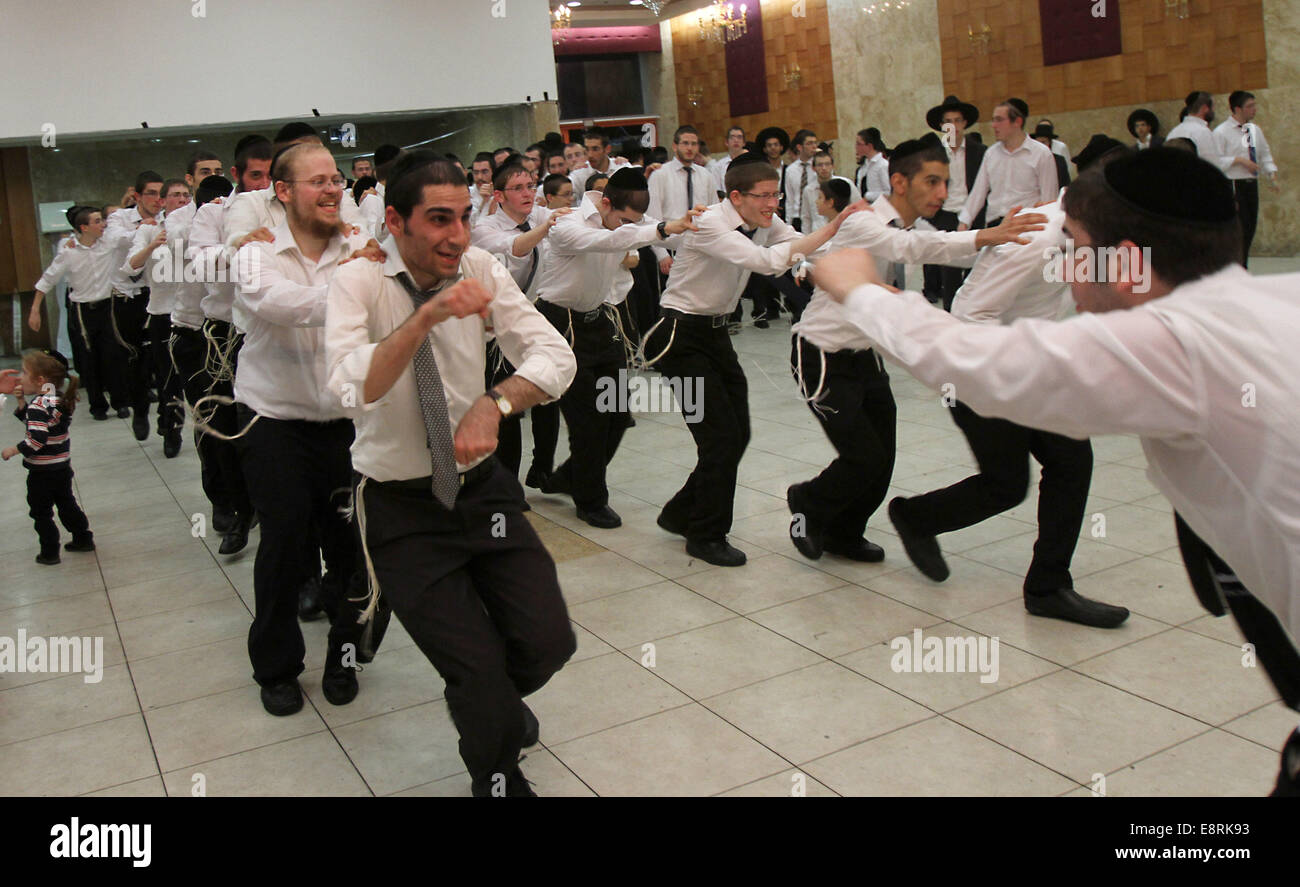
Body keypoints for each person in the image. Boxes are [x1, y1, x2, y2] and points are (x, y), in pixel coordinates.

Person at [813, 147, 1300, 796]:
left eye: (1074, 247)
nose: (1063, 264)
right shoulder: (1277, 297)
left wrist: (861, 288)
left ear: (1123, 260)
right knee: (1017, 477)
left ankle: (1034, 575)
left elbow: (973, 359)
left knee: (1041, 469)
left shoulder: (1176, 343)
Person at [324, 150, 579, 796]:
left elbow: (554, 355)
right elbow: (354, 390)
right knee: (474, 670)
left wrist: (497, 404)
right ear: (395, 220)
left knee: (548, 640)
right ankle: (495, 771)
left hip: (481, 489)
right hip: (401, 507)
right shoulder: (355, 283)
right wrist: (427, 316)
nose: (457, 235)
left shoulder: (480, 266)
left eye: (465, 216)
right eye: (439, 219)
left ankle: (489, 695)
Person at [888, 136, 1129, 629]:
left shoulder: (1089, 229)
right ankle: (915, 518)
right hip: (979, 369)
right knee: (1006, 485)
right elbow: (969, 311)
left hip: (1029, 365)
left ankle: (1048, 587)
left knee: (1070, 461)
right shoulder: (1038, 237)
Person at [788, 135, 1046, 567]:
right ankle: (807, 503)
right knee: (862, 457)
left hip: (864, 355)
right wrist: (986, 234)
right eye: (932, 181)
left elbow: (937, 246)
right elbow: (912, 249)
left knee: (882, 457)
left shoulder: (913, 227)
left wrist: (1000, 241)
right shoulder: (862, 222)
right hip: (820, 354)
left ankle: (844, 533)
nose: (942, 193)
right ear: (900, 183)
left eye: (945, 182)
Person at [643, 153, 866, 566]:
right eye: (763, 196)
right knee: (720, 438)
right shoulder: (710, 222)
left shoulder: (765, 220)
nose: (771, 204)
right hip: (681, 337)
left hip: (715, 335)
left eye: (775, 195)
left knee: (737, 433)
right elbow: (764, 262)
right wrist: (833, 226)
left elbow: (796, 244)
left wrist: (855, 238)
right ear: (736, 196)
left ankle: (680, 512)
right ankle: (705, 534)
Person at [232, 143, 379, 716]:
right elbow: (276, 303)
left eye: (336, 179)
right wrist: (352, 288)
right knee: (286, 543)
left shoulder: (361, 243)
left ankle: (344, 654)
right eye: (315, 181)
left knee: (351, 545)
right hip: (273, 418)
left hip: (346, 419)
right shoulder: (255, 251)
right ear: (283, 192)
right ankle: (275, 667)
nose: (330, 189)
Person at [534, 167, 701, 528]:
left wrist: (693, 224)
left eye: (634, 222)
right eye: (624, 220)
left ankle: (569, 476)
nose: (628, 227)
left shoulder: (626, 221)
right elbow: (605, 241)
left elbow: (659, 235)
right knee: (588, 421)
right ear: (606, 203)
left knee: (618, 412)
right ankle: (590, 500)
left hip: (598, 319)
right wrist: (654, 230)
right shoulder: (567, 224)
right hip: (558, 324)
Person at [28, 207, 126, 421]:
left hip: (107, 306)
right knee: (89, 358)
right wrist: (35, 310)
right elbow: (47, 280)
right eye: (98, 221)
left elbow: (127, 236)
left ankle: (120, 402)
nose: (103, 224)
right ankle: (97, 405)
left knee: (112, 355)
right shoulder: (68, 251)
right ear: (84, 227)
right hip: (83, 310)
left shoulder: (108, 243)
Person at [0, 350, 94, 565]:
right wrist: (23, 402)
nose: (20, 377)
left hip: (42, 471)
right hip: (61, 465)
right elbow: (45, 425)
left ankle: (50, 551)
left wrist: (13, 450)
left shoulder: (38, 406)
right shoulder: (57, 397)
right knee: (67, 503)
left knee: (40, 512)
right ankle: (83, 537)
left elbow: (37, 439)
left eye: (25, 372)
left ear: (40, 380)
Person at [124, 178, 192, 457]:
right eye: (175, 195)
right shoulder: (149, 229)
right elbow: (130, 267)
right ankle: (171, 428)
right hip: (163, 314)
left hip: (193, 313)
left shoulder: (198, 226)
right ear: (163, 201)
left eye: (186, 195)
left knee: (192, 378)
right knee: (168, 378)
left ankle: (178, 422)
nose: (182, 200)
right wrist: (152, 244)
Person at [104, 171, 165, 441]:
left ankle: (168, 418)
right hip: (128, 296)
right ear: (138, 196)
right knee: (133, 358)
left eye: (161, 193)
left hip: (157, 296)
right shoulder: (120, 218)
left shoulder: (168, 218)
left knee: (162, 359)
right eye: (151, 193)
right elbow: (115, 240)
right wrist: (144, 230)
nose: (157, 199)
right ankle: (139, 409)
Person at [923, 95, 988, 310]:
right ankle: (951, 316)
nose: (953, 126)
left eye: (957, 120)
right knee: (949, 272)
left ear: (965, 123)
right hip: (946, 215)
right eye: (948, 121)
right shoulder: (933, 153)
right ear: (942, 126)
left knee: (976, 269)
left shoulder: (980, 152)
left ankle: (972, 313)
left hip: (973, 214)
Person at [959, 100, 1058, 232]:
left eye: (999, 120)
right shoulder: (991, 154)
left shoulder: (1041, 154)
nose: (993, 125)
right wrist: (964, 222)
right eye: (993, 120)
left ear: (1017, 122)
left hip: (1025, 226)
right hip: (995, 225)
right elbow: (978, 193)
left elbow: (1049, 199)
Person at [1214, 90, 1280, 267]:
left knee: (1250, 227)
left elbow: (1264, 153)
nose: (1254, 109)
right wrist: (1239, 160)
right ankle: (1238, 267)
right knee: (1239, 230)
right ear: (1237, 109)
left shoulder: (1253, 130)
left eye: (1254, 105)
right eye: (1250, 106)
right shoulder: (1221, 132)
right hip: (1234, 184)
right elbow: (1215, 160)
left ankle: (1243, 264)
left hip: (1251, 184)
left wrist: (1271, 173)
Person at [647, 125, 717, 282]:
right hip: (671, 248)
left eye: (694, 144)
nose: (690, 148)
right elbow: (652, 218)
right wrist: (661, 255)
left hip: (701, 249)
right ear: (674, 145)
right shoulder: (660, 175)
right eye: (685, 143)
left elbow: (714, 213)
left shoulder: (706, 176)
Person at [1165, 91, 1233, 173]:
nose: (1213, 111)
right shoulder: (1202, 132)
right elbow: (1212, 165)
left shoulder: (1174, 131)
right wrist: (1236, 160)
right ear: (1205, 108)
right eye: (1213, 107)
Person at [802, 150, 860, 232]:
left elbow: (857, 207)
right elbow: (806, 217)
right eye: (820, 165)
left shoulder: (845, 183)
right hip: (818, 232)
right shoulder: (808, 190)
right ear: (813, 168)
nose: (824, 168)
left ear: (833, 166)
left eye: (827, 164)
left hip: (842, 229)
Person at [783, 129, 819, 232]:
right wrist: (788, 223)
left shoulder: (819, 167)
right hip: (797, 216)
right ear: (799, 147)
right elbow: (790, 198)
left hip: (815, 215)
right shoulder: (791, 170)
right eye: (809, 143)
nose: (814, 146)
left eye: (815, 143)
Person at [855, 127, 890, 202]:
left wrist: (869, 196)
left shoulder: (883, 165)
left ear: (869, 146)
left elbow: (889, 192)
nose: (856, 147)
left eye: (859, 144)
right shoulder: (863, 166)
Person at [1031, 123, 1071, 188]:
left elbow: (1065, 184)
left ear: (1049, 143)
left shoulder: (1059, 161)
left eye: (1043, 142)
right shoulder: (1029, 160)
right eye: (1037, 143)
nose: (1040, 146)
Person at [712, 126, 747, 198]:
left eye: (739, 137)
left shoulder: (751, 164)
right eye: (732, 137)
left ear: (744, 143)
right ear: (726, 142)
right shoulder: (718, 166)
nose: (736, 140)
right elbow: (717, 191)